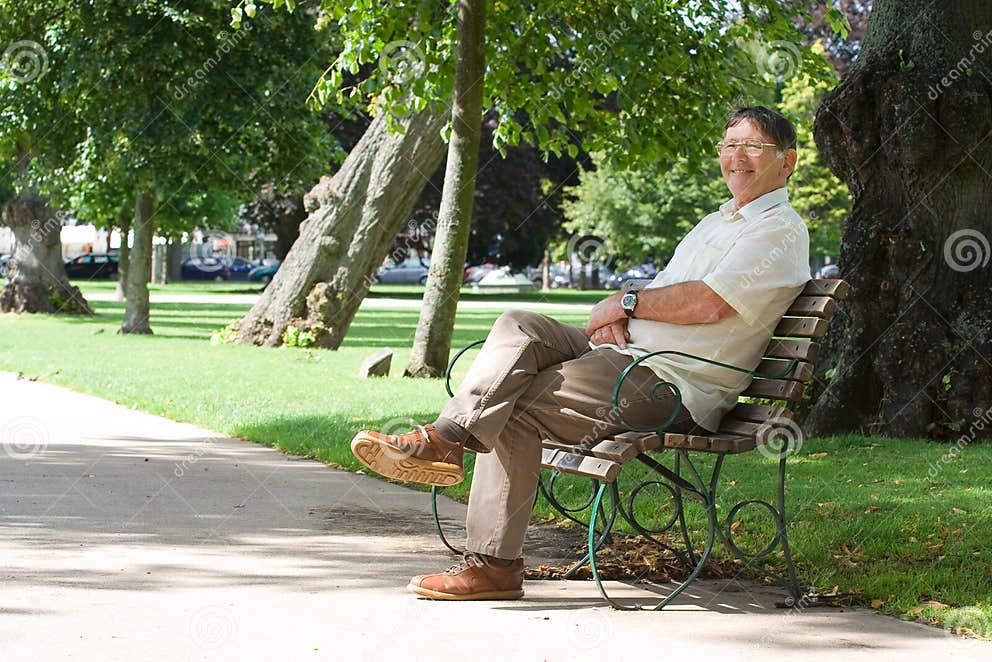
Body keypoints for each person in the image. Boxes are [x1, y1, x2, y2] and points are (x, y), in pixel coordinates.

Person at [350, 105, 811, 601]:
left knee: (512, 408)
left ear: (787, 161)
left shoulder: (778, 231)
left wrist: (624, 302)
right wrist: (622, 316)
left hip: (670, 382)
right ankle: (444, 439)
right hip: (630, 355)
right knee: (519, 325)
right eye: (728, 146)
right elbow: (668, 292)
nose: (736, 157)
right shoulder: (716, 222)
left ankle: (493, 566)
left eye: (752, 146)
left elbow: (706, 302)